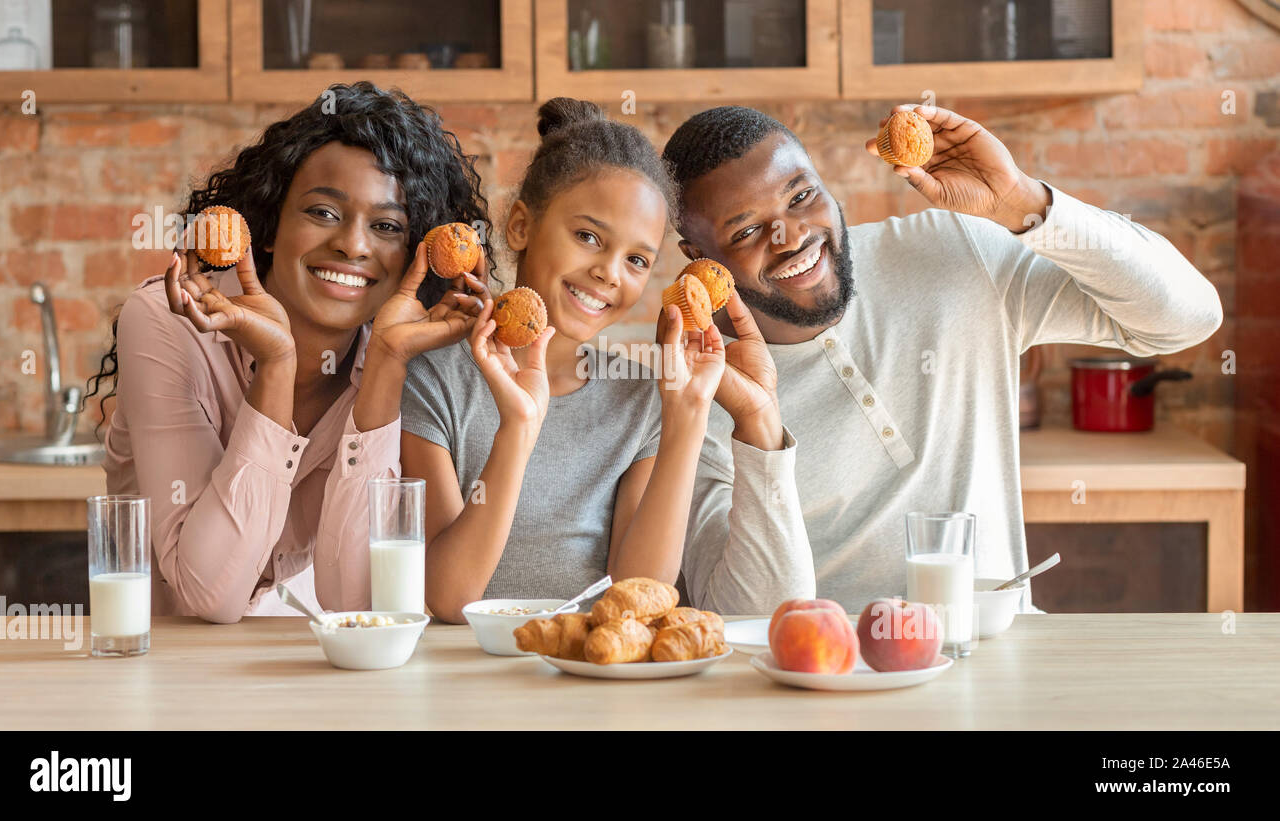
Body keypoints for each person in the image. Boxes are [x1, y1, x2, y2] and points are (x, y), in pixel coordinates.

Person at [662, 104, 1223, 613]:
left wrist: (1026, 202)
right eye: (749, 230)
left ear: (829, 189)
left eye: (802, 196)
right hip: (832, 684)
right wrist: (758, 430)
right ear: (697, 258)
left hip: (994, 662)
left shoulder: (955, 248)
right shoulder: (695, 388)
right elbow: (749, 618)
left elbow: (1188, 318)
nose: (791, 236)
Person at [399, 98, 813, 623]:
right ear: (522, 226)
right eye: (588, 237)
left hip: (590, 674)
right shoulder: (436, 378)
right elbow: (450, 598)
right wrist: (519, 426)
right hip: (465, 681)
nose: (609, 273)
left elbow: (637, 598)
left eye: (636, 259)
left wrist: (685, 411)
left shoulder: (638, 394)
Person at [95, 82, 488, 622]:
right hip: (161, 667)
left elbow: (356, 604)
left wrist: (387, 368)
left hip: (296, 662)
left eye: (387, 226)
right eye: (324, 212)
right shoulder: (170, 321)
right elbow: (206, 595)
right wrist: (276, 367)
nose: (353, 244)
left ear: (410, 256)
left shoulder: (391, 352)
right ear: (272, 226)